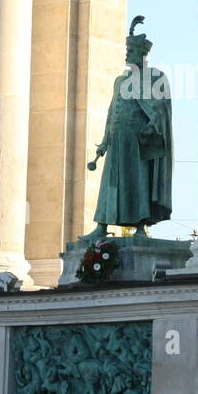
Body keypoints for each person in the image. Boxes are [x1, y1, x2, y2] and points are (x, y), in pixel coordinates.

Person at [83, 16, 174, 238]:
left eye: (131, 52)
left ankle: (141, 226)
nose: (127, 56)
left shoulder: (155, 78)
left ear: (142, 55)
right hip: (117, 138)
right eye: (127, 52)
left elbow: (161, 108)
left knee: (139, 182)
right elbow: (111, 111)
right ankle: (102, 225)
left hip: (138, 140)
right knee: (110, 183)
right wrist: (104, 141)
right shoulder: (120, 81)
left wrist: (153, 126)